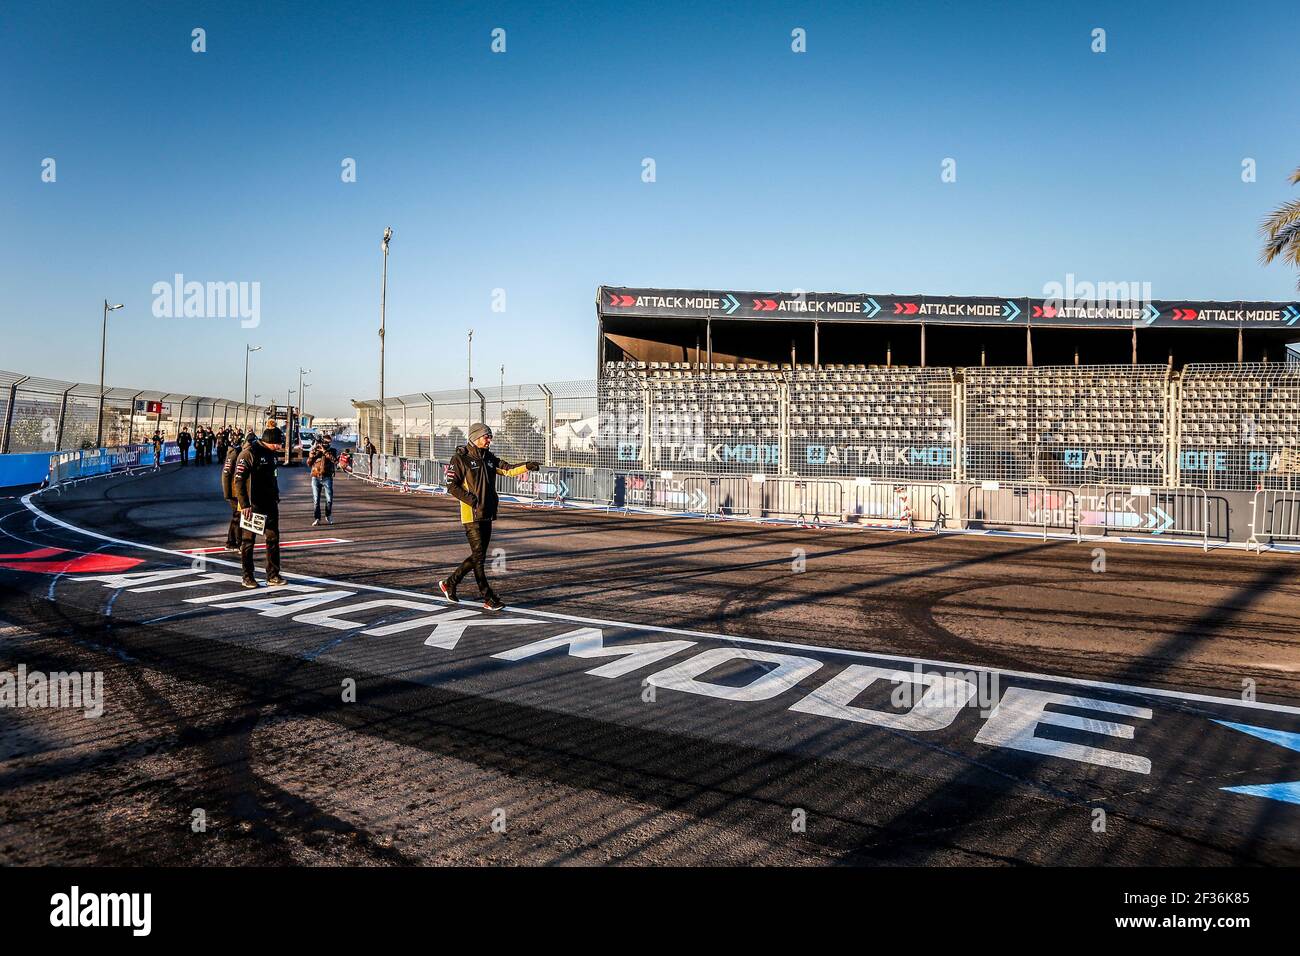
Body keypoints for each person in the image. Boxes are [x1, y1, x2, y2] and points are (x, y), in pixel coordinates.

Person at [438, 423, 540, 610]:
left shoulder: (489, 457)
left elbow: (508, 469)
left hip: (487, 514)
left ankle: (450, 583)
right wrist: (473, 501)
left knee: (479, 556)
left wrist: (527, 466)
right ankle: (488, 597)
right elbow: (452, 486)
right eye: (487, 437)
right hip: (472, 515)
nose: (489, 440)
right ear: (476, 437)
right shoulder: (460, 459)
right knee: (479, 557)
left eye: (490, 437)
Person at [232, 425, 286, 588]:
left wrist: (276, 496)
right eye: (278, 443)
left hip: (269, 504)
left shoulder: (273, 455)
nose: (280, 446)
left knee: (273, 539)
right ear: (270, 441)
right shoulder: (249, 453)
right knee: (248, 542)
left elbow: (273, 477)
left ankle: (273, 575)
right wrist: (244, 504)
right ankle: (247, 576)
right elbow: (239, 480)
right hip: (252, 506)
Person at [220, 431, 244, 550]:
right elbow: (226, 474)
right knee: (239, 516)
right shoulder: (234, 453)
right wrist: (227, 493)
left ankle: (231, 542)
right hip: (235, 492)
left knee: (236, 516)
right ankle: (238, 543)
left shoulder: (237, 452)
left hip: (236, 491)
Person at [307, 436, 338, 525]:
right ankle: (317, 518)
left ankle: (328, 515)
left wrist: (324, 451)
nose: (326, 444)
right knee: (316, 499)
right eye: (325, 442)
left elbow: (334, 460)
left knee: (329, 499)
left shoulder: (332, 451)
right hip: (315, 476)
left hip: (327, 477)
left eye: (328, 443)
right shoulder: (316, 450)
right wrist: (312, 455)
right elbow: (309, 463)